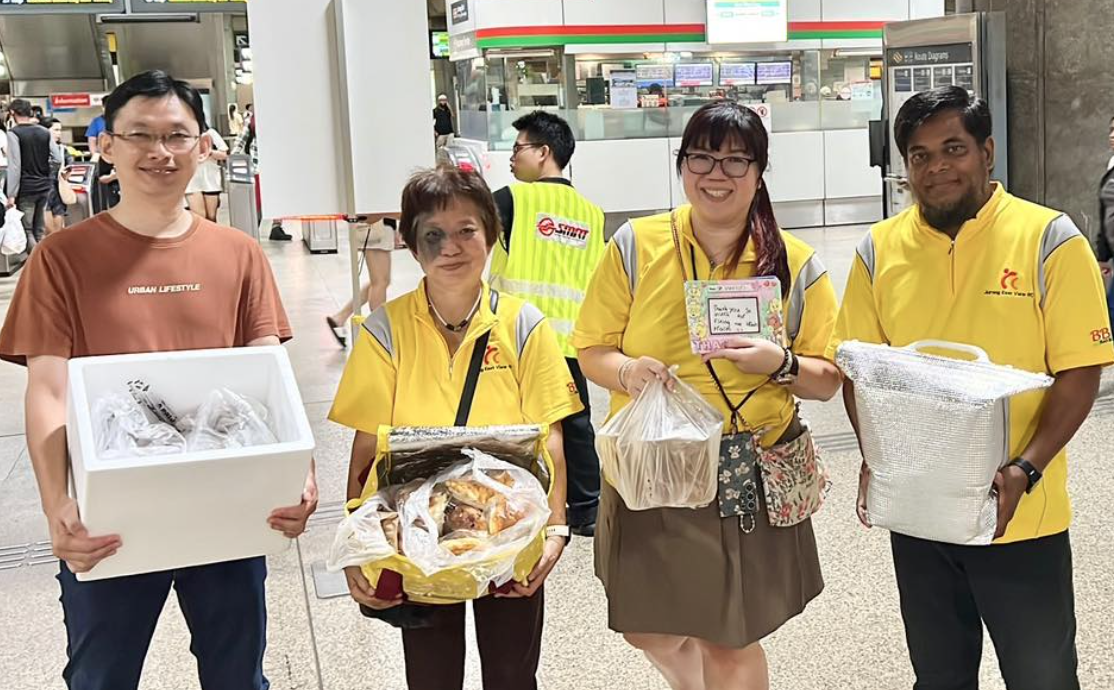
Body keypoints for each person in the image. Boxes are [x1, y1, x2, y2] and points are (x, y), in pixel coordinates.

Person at [0, 70, 319, 690]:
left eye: (177, 136)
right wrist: (57, 504)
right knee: (102, 676)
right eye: (139, 135)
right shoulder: (62, 259)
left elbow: (267, 374)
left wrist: (297, 470)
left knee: (236, 675)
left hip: (226, 502)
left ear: (203, 148)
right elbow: (47, 388)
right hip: (113, 512)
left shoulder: (238, 253)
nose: (159, 152)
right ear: (106, 147)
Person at [827, 86, 1113, 690]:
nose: (937, 167)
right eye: (920, 155)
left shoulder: (1049, 240)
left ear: (987, 152)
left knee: (1042, 675)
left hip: (1020, 511)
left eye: (953, 148)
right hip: (919, 513)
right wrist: (880, 457)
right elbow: (860, 370)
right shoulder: (878, 250)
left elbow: (1081, 370)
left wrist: (1026, 469)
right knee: (939, 673)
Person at [574, 101, 841, 690]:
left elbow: (826, 380)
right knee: (647, 626)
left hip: (745, 468)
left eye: (735, 160)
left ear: (759, 171)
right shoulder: (636, 244)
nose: (715, 174)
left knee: (729, 636)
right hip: (653, 466)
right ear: (682, 164)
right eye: (701, 157)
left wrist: (782, 363)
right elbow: (593, 348)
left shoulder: (795, 265)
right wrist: (627, 372)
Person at [330, 165, 580, 689]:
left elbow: (550, 435)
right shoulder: (385, 330)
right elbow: (366, 445)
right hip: (417, 532)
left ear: (491, 234)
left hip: (511, 528)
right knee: (431, 674)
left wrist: (555, 529)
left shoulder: (523, 324)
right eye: (433, 236)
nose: (451, 247)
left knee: (512, 673)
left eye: (467, 230)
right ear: (412, 247)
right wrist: (358, 540)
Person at [488, 110, 606, 536]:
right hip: (573, 342)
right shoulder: (592, 213)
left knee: (512, 425)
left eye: (518, 148)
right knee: (576, 426)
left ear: (544, 152)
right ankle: (588, 512)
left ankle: (516, 508)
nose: (512, 157)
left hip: (515, 338)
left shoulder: (510, 199)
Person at [326, 217, 394, 347]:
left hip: (377, 227)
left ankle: (340, 317)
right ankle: (378, 330)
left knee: (379, 281)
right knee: (380, 282)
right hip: (376, 228)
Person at [6, 98, 63, 251]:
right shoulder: (44, 132)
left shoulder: (13, 134)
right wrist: (46, 171)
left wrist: (11, 193)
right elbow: (58, 158)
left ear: (12, 113)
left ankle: (36, 264)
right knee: (39, 228)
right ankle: (42, 262)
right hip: (44, 186)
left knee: (27, 229)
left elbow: (15, 166)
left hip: (26, 188)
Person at [186, 126, 230, 222]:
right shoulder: (184, 134)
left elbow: (224, 155)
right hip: (191, 180)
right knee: (199, 218)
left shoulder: (210, 133)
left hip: (210, 180)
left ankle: (212, 237)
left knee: (211, 217)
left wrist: (208, 151)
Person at [1095, 115, 1114, 328]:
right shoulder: (1111, 165)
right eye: (1111, 130)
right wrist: (1102, 255)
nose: (1112, 136)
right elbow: (1106, 211)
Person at [41, 117, 75, 235]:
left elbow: (70, 165)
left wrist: (67, 173)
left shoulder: (62, 150)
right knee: (48, 231)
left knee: (58, 232)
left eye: (60, 130)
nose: (58, 133)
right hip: (43, 190)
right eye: (55, 130)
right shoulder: (39, 148)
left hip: (58, 190)